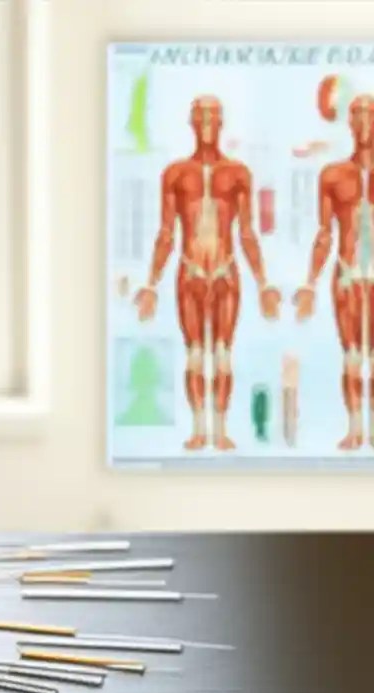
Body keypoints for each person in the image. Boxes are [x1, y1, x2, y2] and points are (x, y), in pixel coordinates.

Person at [135, 95, 281, 450]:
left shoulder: (238, 173)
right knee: (196, 353)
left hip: (225, 271)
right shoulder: (175, 174)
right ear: (190, 122)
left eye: (212, 116)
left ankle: (221, 428)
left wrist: (263, 283)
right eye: (200, 116)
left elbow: (247, 232)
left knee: (223, 353)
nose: (205, 123)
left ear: (221, 123)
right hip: (190, 271)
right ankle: (200, 428)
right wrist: (151, 284)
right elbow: (166, 233)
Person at [295, 95, 374, 449]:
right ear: (349, 124)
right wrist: (310, 284)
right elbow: (325, 233)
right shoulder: (333, 175)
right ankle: (356, 428)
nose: (364, 123)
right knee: (352, 355)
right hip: (347, 272)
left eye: (369, 115)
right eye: (357, 115)